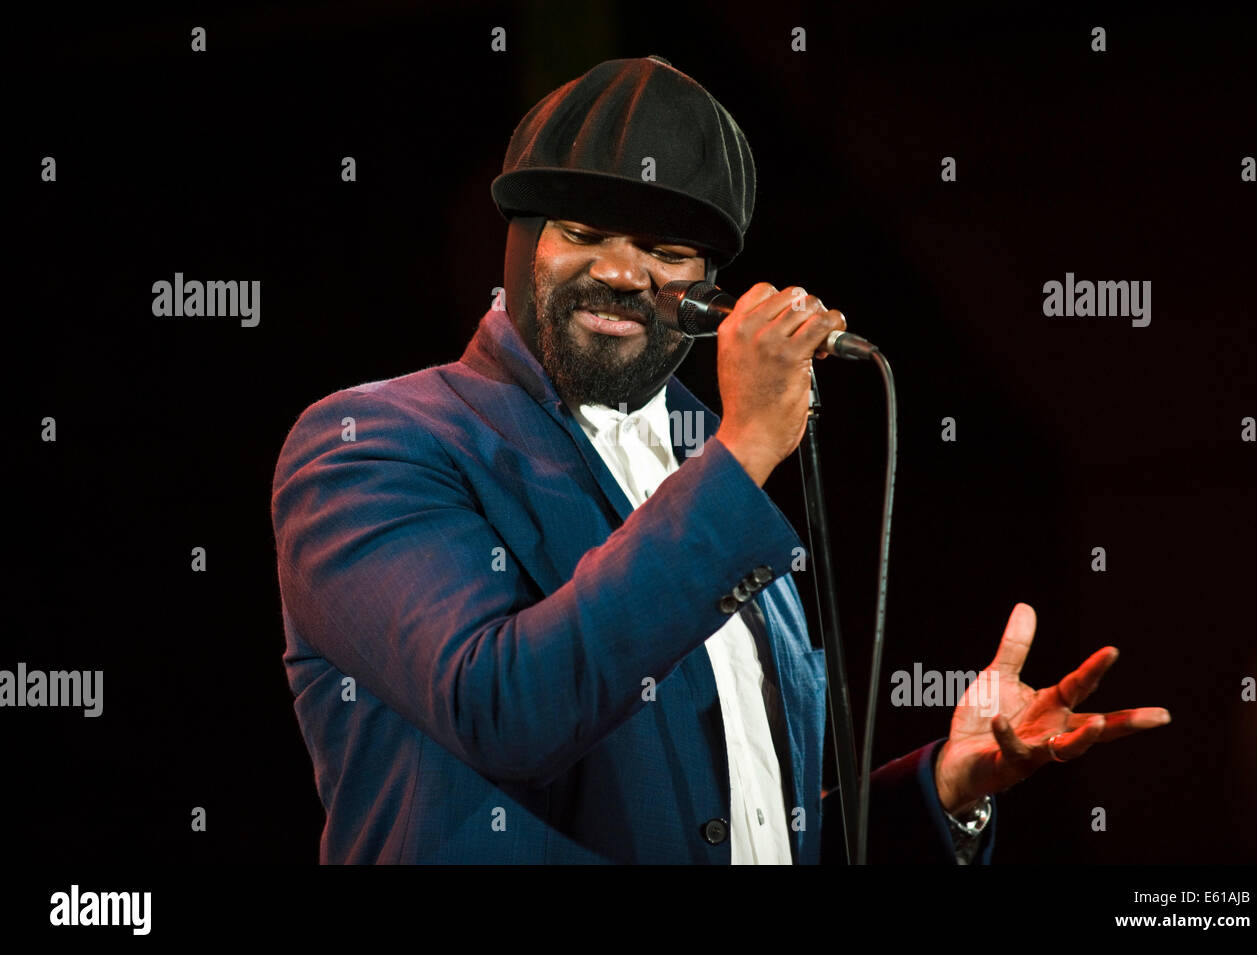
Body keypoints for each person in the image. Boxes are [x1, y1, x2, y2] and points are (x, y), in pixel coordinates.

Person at [271, 55, 1170, 864]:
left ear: (707, 291)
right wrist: (743, 453)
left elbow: (746, 830)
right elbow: (503, 708)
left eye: (666, 251)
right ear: (521, 243)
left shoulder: (714, 472)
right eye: (586, 230)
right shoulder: (377, 444)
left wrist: (944, 788)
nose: (624, 274)